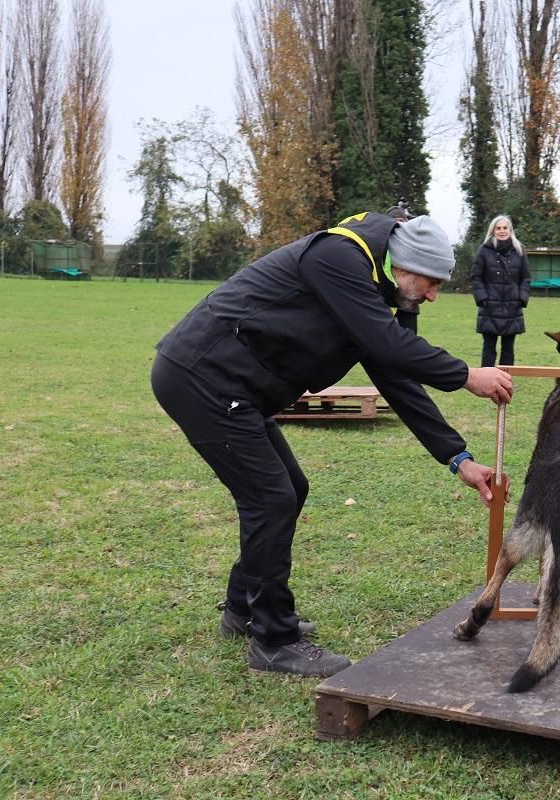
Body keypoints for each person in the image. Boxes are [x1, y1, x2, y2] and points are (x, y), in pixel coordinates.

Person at [151, 212, 514, 678]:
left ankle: (243, 608)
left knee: (288, 490)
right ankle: (274, 641)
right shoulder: (337, 258)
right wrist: (466, 375)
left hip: (236, 387)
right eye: (432, 282)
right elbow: (390, 347)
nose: (432, 295)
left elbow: (395, 371)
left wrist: (456, 456)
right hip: (203, 377)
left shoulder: (377, 288)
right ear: (406, 264)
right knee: (271, 497)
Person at [470, 215, 532, 367]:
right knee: (489, 347)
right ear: (493, 231)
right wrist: (483, 298)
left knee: (508, 348)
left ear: (510, 230)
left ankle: (505, 381)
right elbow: (476, 277)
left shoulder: (519, 250)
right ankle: (486, 380)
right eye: (498, 228)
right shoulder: (484, 250)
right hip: (490, 306)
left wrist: (521, 298)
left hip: (512, 306)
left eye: (505, 228)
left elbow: (526, 278)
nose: (502, 231)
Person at [384, 202, 419, 332]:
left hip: (408, 298)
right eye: (396, 222)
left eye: (402, 221)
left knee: (410, 337)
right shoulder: (380, 243)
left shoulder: (414, 243)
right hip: (386, 297)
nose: (399, 225)